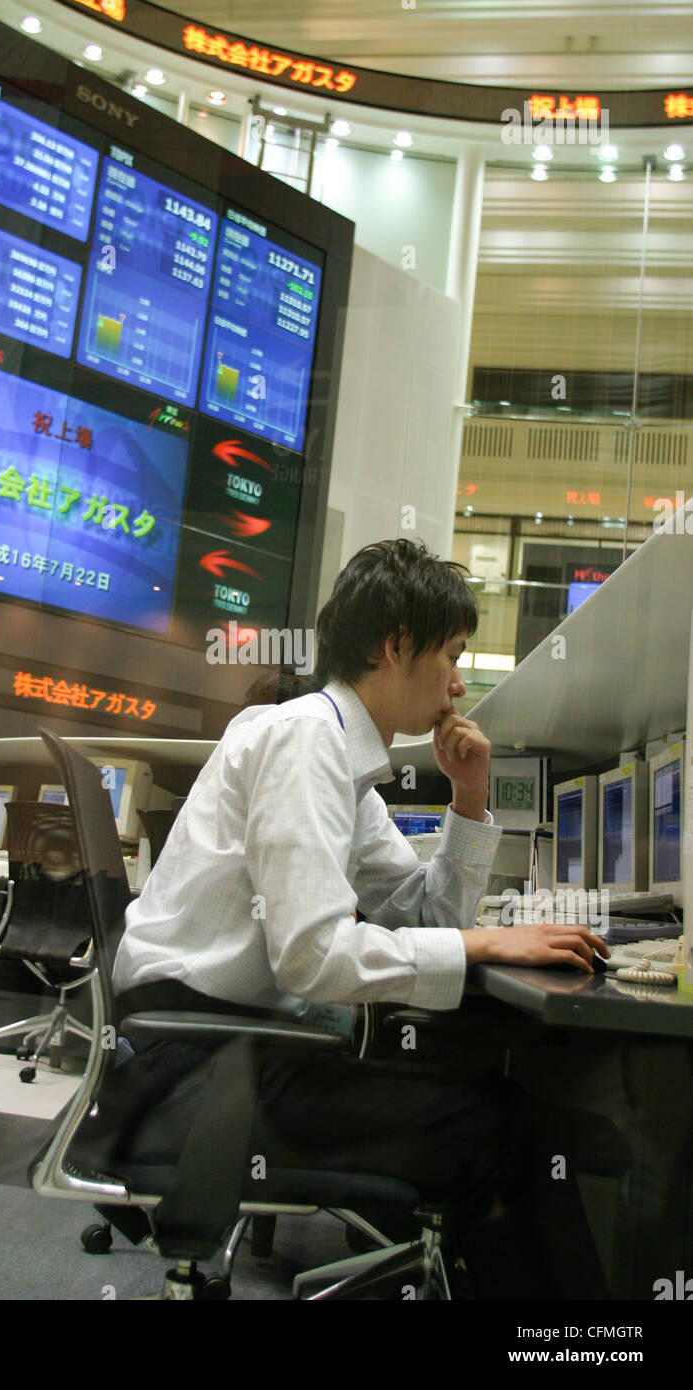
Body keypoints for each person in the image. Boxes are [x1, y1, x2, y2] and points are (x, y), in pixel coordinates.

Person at [108, 538, 610, 1296]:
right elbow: (312, 958)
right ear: (395, 643)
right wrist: (482, 942)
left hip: (225, 1051)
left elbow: (426, 912)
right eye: (451, 655)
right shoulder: (303, 740)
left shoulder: (344, 764)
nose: (458, 681)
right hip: (196, 1073)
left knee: (497, 1103)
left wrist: (469, 800)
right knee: (507, 1131)